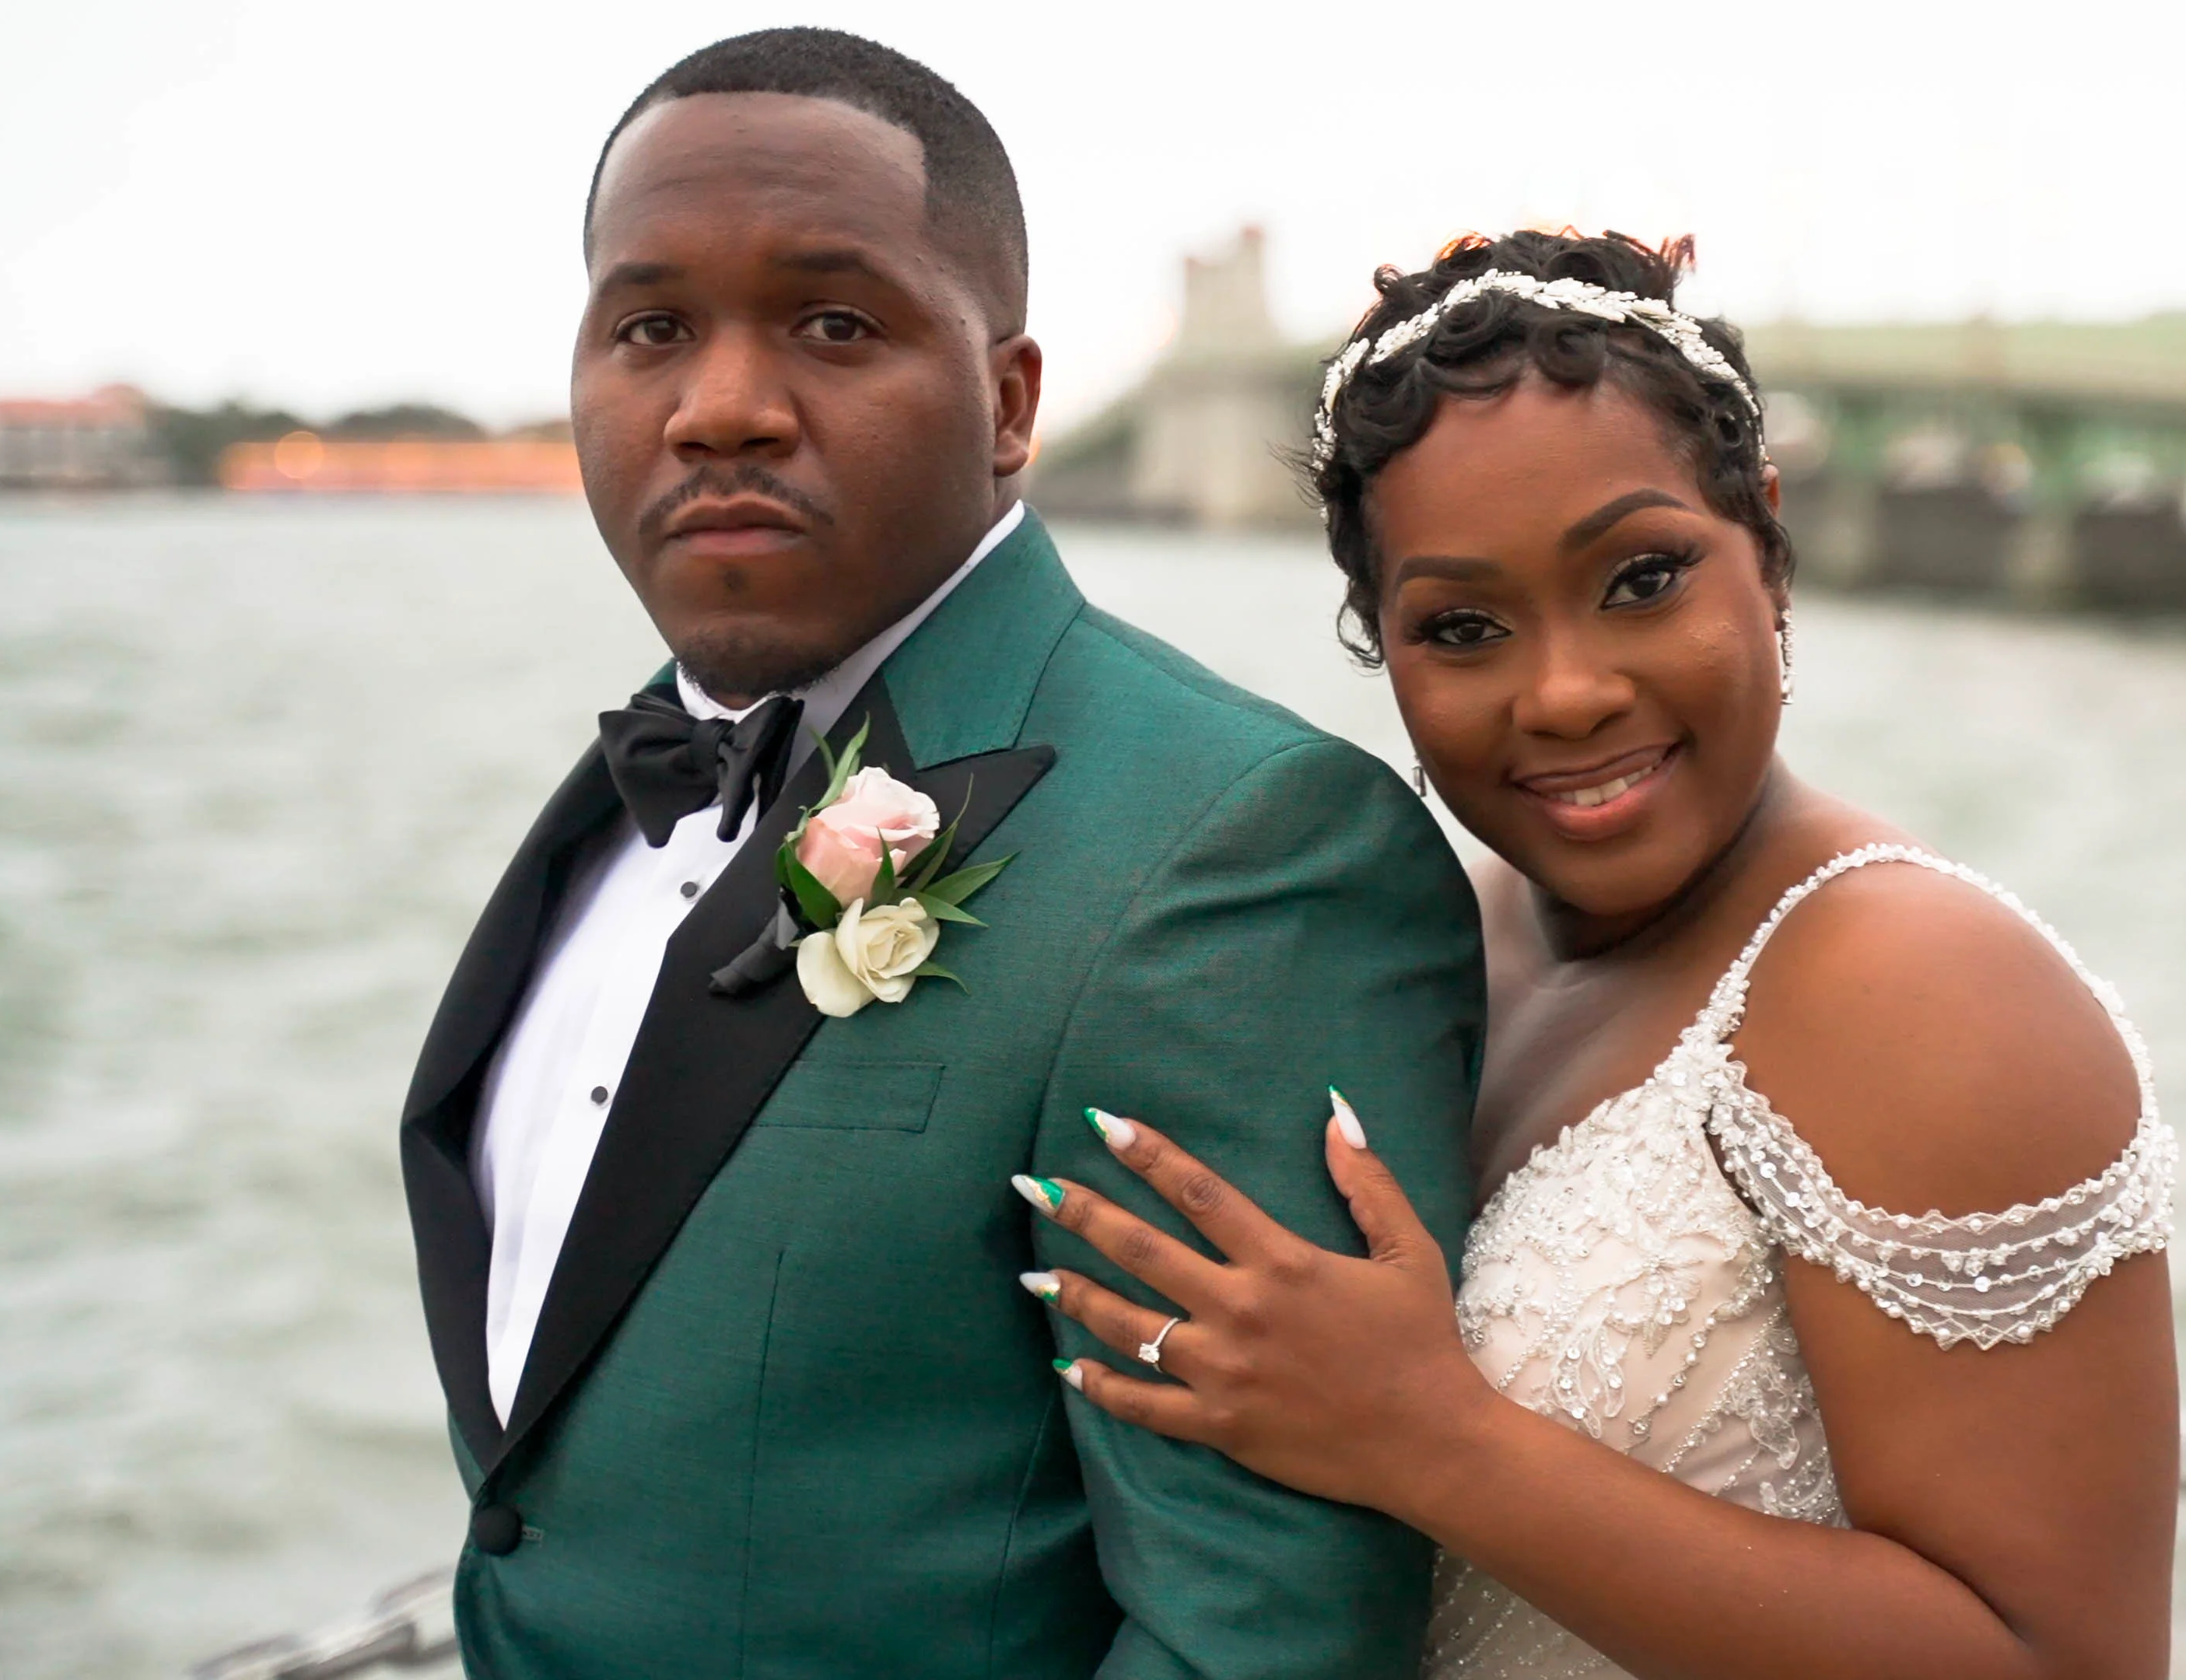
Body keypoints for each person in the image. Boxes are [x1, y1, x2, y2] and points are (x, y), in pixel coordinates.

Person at [395, 30, 1480, 1678]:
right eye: (651, 329)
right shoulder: (623, 794)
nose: (721, 408)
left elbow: (1259, 1635)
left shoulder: (1241, 851)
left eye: (835, 324)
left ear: (1011, 402)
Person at [1016, 231, 2182, 1679]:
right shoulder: (1448, 940)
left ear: (1766, 543)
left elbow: (2064, 1662)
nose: (1565, 693)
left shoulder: (1915, 983)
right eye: (1463, 627)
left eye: (1641, 579)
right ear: (1382, 647)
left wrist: (1431, 1440)